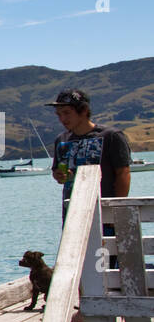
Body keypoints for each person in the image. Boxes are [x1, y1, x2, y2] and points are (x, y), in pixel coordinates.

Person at [49, 88, 131, 224]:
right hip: (72, 215)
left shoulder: (111, 136)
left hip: (105, 214)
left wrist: (116, 210)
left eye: (67, 113)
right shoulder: (61, 140)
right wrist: (59, 175)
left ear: (84, 110)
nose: (62, 119)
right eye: (58, 115)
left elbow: (123, 174)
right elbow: (57, 174)